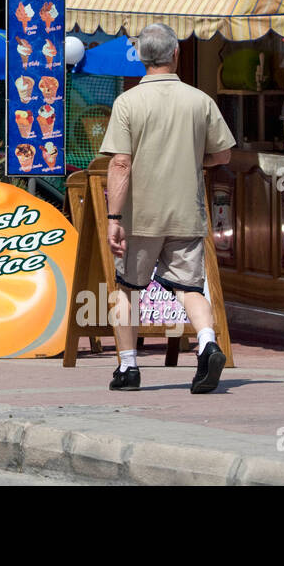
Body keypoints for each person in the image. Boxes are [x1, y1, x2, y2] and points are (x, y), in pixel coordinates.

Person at [99, 22, 236, 394]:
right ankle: (208, 343)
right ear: (176, 54)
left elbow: (121, 164)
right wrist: (194, 160)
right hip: (186, 212)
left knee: (126, 288)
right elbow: (222, 153)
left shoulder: (127, 103)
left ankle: (128, 368)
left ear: (141, 57)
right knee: (191, 287)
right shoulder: (199, 100)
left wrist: (114, 217)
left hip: (140, 216)